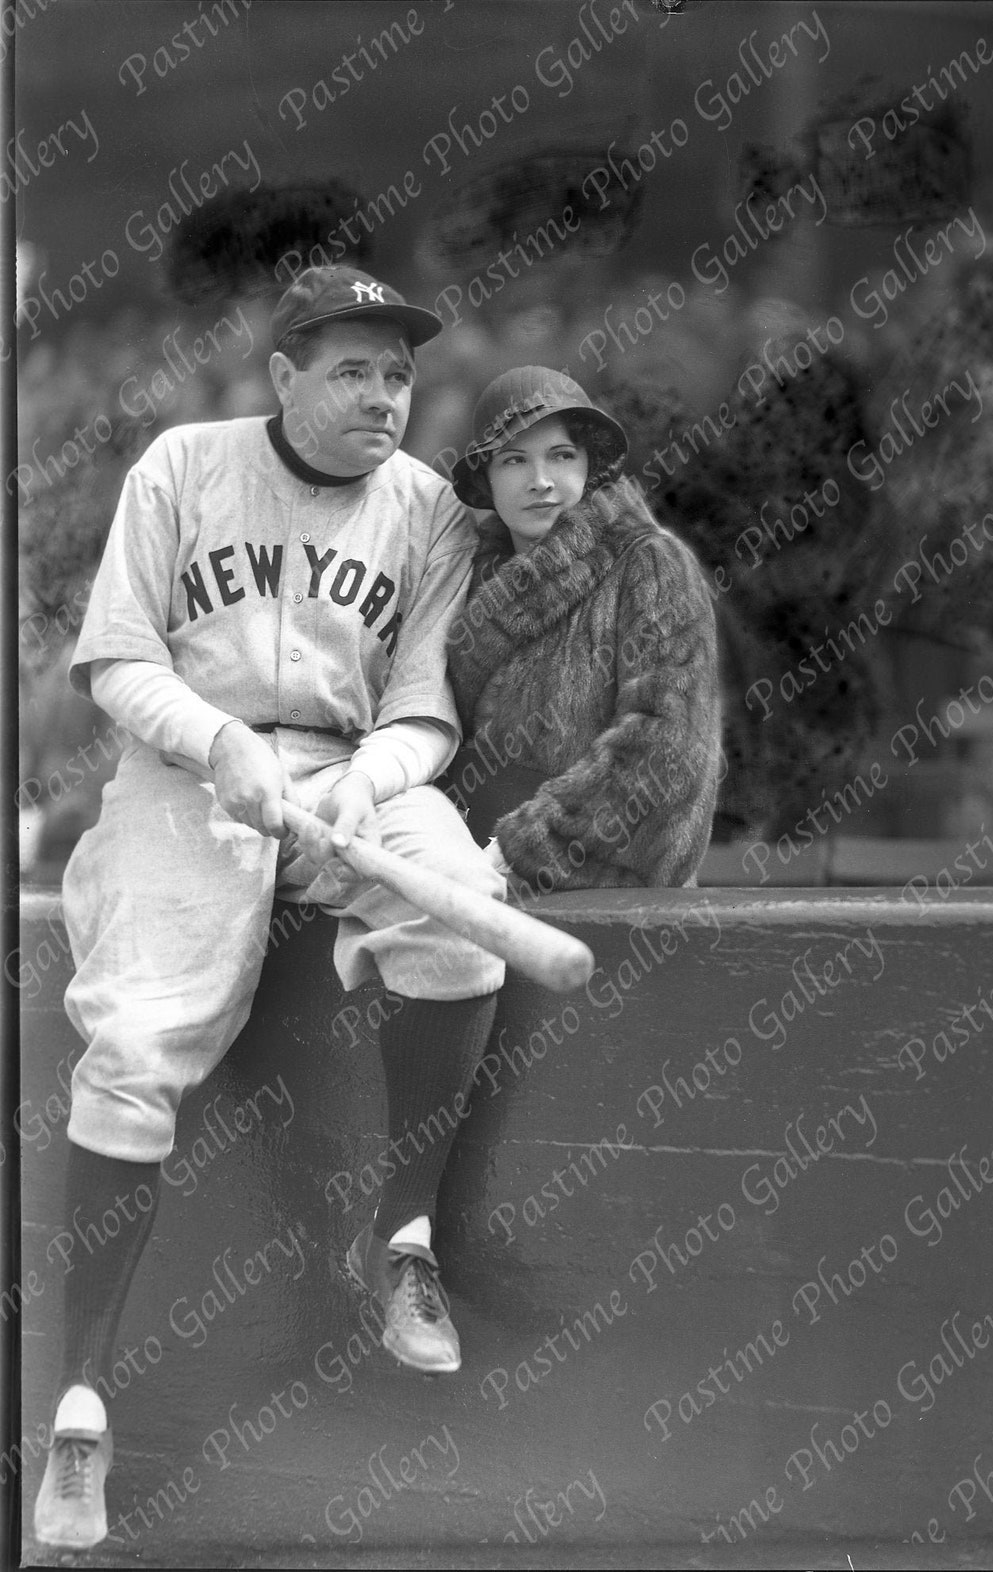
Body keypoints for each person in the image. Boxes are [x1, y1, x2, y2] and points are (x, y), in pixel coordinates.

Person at [33, 266, 506, 1552]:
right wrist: (214, 743)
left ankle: (399, 1235)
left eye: (399, 372)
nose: (383, 393)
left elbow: (424, 703)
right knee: (133, 1040)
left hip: (350, 768)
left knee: (461, 907)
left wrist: (373, 778)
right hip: (190, 769)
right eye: (351, 368)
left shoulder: (428, 513)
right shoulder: (183, 466)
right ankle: (80, 1401)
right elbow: (118, 656)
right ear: (284, 375)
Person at [443, 367, 721, 891]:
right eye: (514, 460)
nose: (540, 480)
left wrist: (528, 845)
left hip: (604, 886)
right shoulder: (461, 579)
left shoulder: (651, 563)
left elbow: (668, 745)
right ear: (486, 479)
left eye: (561, 455)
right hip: (467, 874)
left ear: (590, 465)